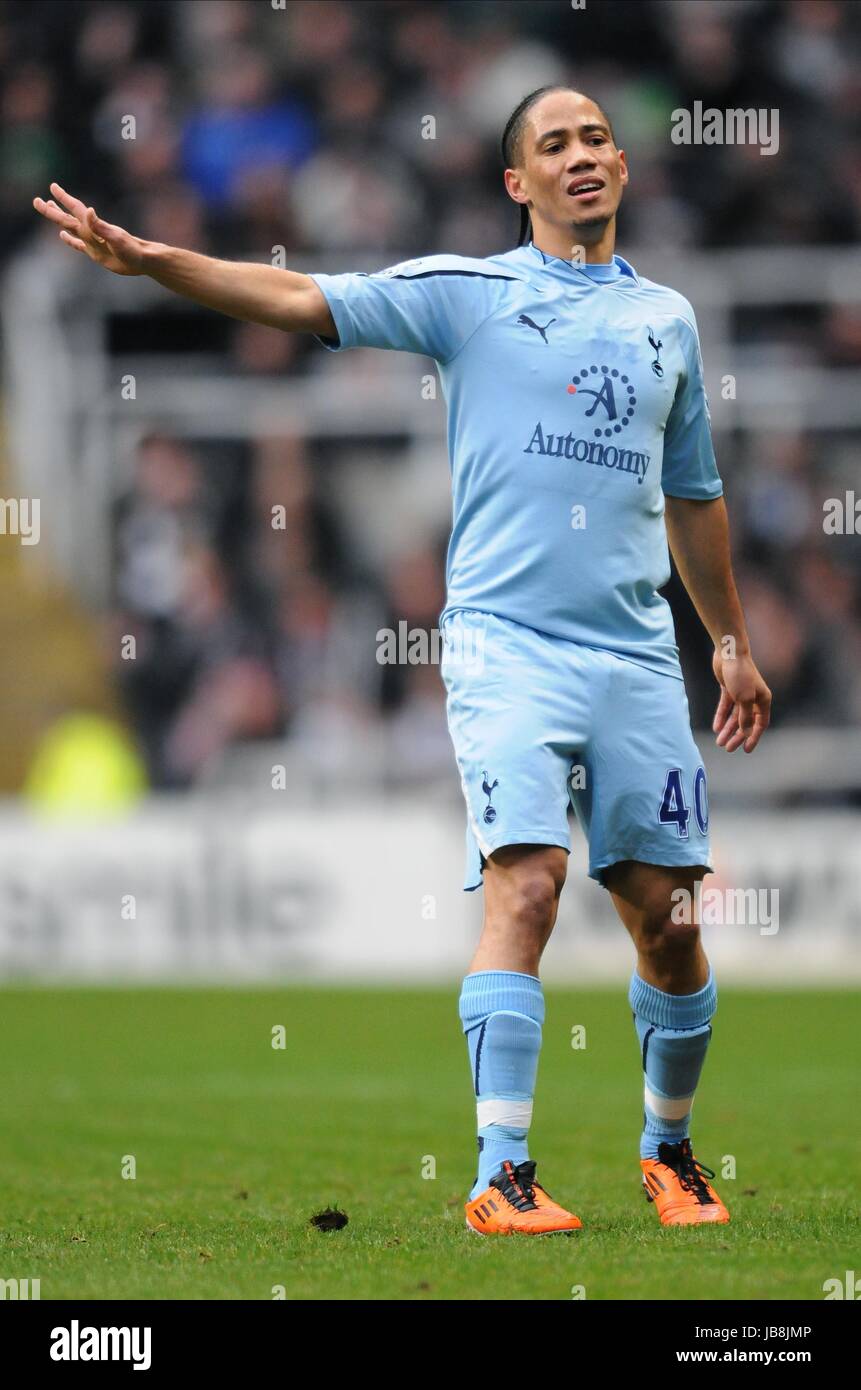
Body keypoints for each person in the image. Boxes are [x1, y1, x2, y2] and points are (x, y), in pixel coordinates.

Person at [33, 84, 772, 1236]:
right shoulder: (468, 295)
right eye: (553, 145)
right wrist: (153, 260)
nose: (580, 155)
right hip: (506, 648)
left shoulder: (666, 321)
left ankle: (668, 1150)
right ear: (518, 182)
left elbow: (696, 497)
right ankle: (500, 1172)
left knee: (670, 920)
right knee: (529, 882)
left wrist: (728, 643)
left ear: (622, 166)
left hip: (634, 654)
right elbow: (300, 295)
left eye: (594, 138)